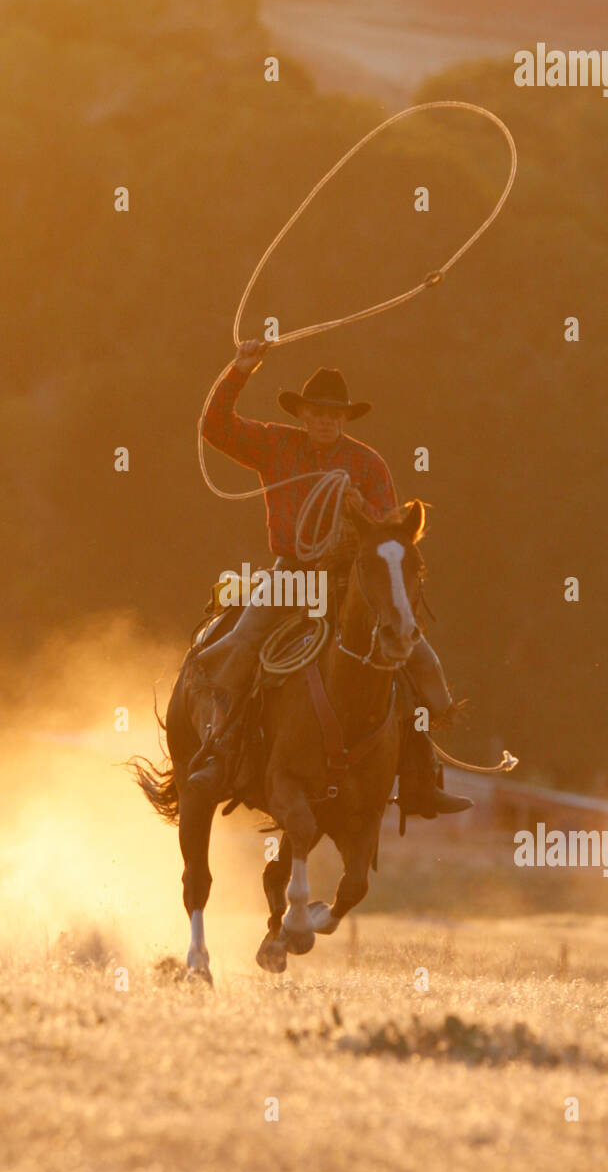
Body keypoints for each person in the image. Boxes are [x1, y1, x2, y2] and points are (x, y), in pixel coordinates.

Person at [189, 337, 472, 816]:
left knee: (417, 659)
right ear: (303, 414)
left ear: (345, 419)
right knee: (243, 640)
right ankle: (220, 751)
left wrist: (363, 519)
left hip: (352, 580)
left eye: (334, 414)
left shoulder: (368, 463)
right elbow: (215, 428)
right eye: (317, 412)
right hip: (293, 574)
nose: (325, 420)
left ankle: (422, 775)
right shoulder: (276, 444)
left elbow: (389, 539)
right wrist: (240, 371)